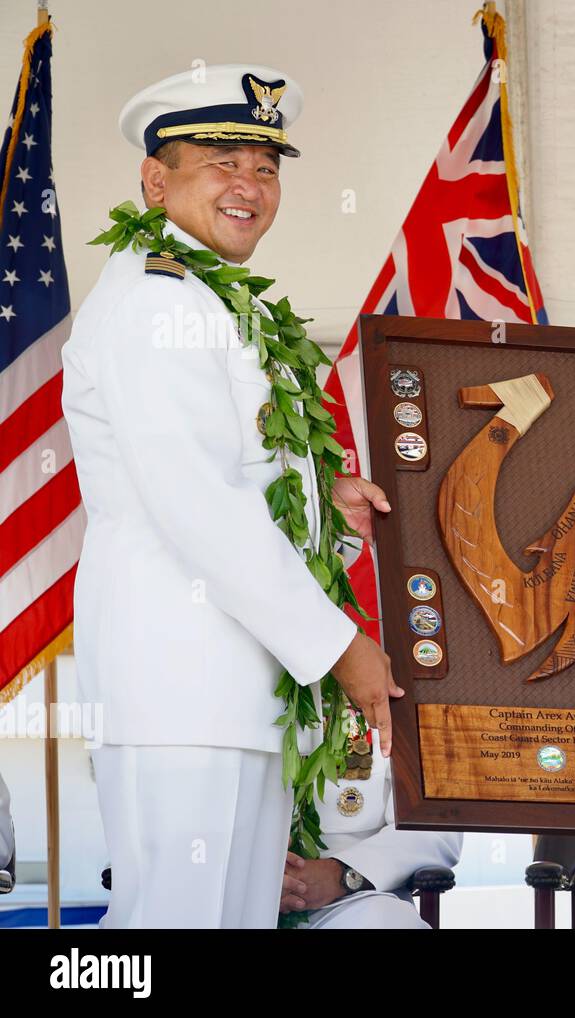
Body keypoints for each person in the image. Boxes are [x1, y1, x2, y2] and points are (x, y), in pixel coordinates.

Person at [62, 65, 399, 928]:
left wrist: (335, 503)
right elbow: (197, 503)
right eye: (222, 162)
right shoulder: (155, 301)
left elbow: (246, 483)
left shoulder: (215, 303)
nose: (250, 187)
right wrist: (340, 646)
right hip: (181, 688)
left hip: (237, 694)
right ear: (155, 179)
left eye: (266, 166)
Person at [280, 708, 462, 929]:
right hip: (237, 886)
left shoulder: (406, 686)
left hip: (351, 901)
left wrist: (342, 875)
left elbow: (435, 826)